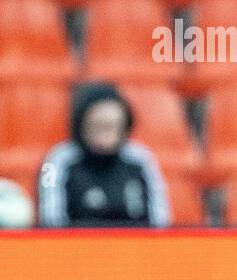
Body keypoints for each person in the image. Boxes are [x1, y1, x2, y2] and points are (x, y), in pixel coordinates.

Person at [39, 81, 170, 228]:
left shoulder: (141, 160)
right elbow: (50, 220)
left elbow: (160, 221)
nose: (105, 136)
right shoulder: (57, 160)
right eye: (97, 126)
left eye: (112, 127)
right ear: (82, 125)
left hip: (135, 248)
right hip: (78, 247)